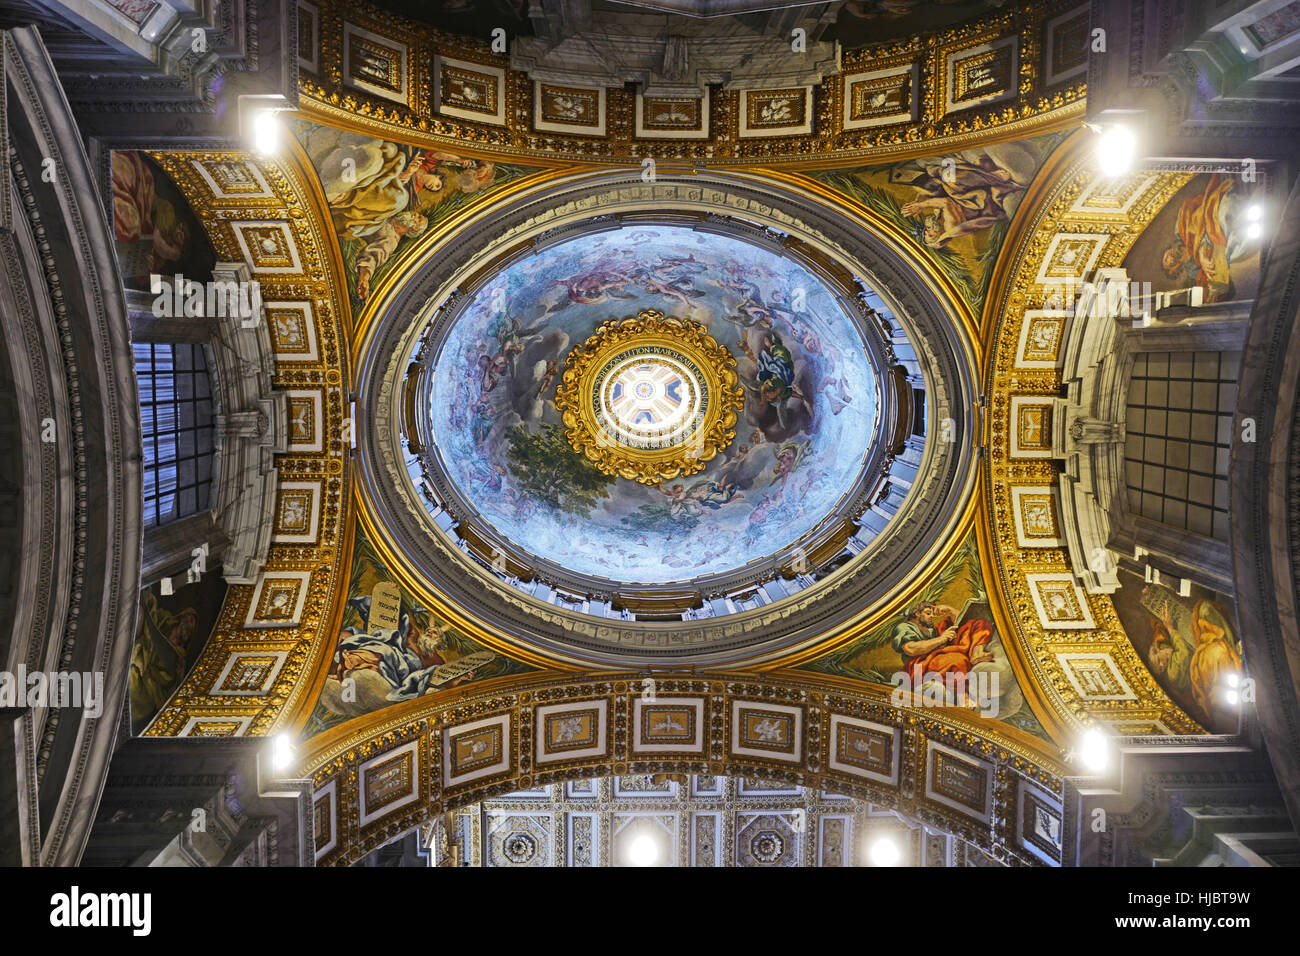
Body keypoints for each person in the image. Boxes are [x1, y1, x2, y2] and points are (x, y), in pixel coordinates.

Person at [890, 601, 994, 686]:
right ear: (917, 613)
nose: (932, 616)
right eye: (928, 613)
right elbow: (911, 649)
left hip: (938, 656)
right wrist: (942, 639)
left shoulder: (932, 631)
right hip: (919, 666)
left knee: (978, 623)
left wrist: (949, 610)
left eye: (932, 614)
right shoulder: (905, 627)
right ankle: (964, 697)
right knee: (958, 661)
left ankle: (977, 652)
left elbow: (962, 621)